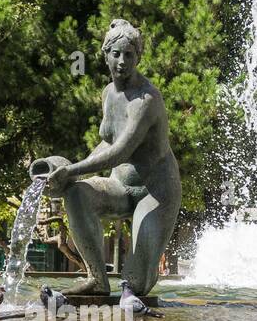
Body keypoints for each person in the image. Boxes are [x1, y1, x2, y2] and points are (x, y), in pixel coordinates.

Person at [44, 19, 181, 297]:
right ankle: (97, 279)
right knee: (77, 195)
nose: (122, 61)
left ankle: (146, 265)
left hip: (155, 193)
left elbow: (121, 151)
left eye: (129, 55)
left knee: (135, 286)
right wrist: (72, 174)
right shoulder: (108, 93)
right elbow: (107, 141)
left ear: (138, 57)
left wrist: (71, 170)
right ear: (105, 55)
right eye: (115, 54)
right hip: (120, 187)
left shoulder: (146, 99)